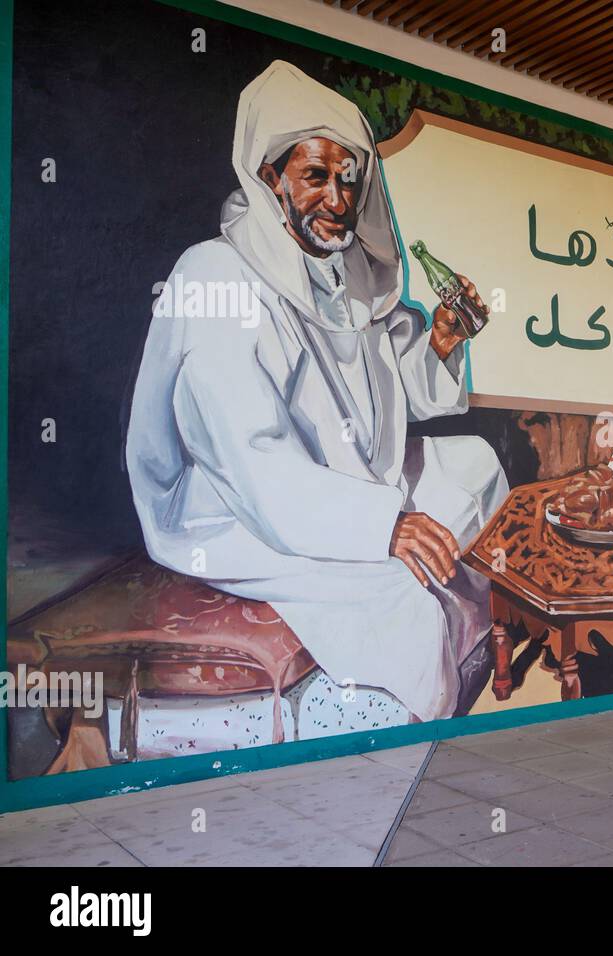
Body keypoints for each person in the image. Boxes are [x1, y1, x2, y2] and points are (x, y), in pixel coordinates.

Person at [125, 61, 507, 721]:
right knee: (403, 602)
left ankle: (470, 637)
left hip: (348, 477)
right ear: (269, 176)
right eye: (315, 176)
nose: (337, 199)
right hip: (236, 510)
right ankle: (405, 747)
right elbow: (253, 462)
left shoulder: (348, 270)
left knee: (478, 464)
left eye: (348, 178)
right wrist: (384, 525)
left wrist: (441, 342)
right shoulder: (216, 276)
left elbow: (394, 400)